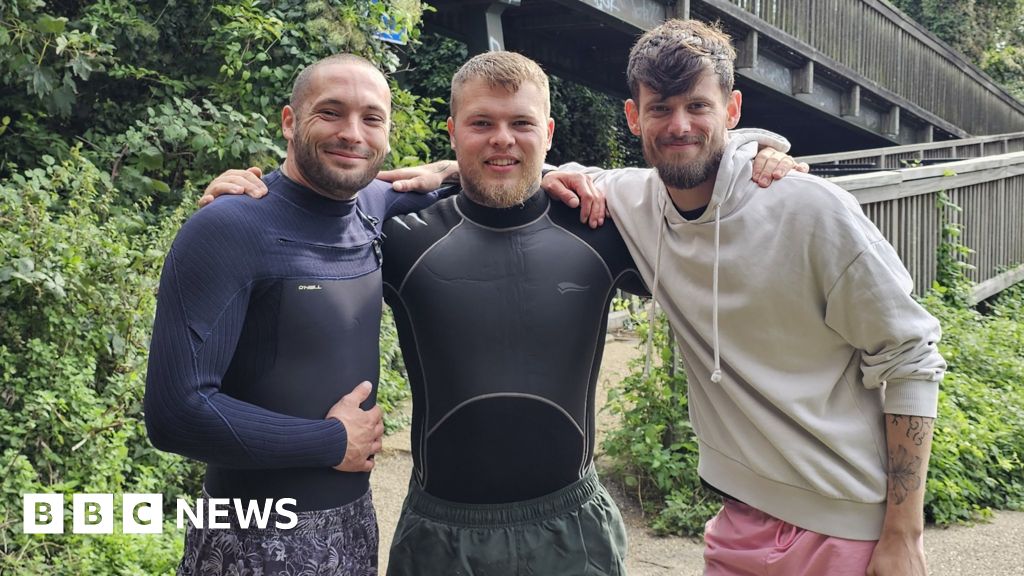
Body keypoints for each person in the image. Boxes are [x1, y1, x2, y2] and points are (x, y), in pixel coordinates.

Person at [201, 54, 801, 575]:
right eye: (481, 123)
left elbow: (706, 210)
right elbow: (309, 215)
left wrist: (758, 154)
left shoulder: (600, 223)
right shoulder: (397, 227)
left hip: (571, 528)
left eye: (520, 124)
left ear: (548, 130)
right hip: (440, 533)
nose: (502, 140)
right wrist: (249, 200)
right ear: (453, 132)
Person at [540, 19, 944, 576]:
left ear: (732, 111)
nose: (679, 124)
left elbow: (911, 356)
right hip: (738, 522)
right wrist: (448, 172)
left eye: (697, 106)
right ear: (634, 117)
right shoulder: (632, 199)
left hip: (847, 526)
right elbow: (530, 170)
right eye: (660, 108)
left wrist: (904, 535)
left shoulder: (809, 209)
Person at [145, 54, 446, 576]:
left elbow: (495, 169)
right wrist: (331, 440)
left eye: (371, 118)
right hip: (247, 542)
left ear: (388, 133)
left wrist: (453, 167)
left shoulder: (374, 204)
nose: (352, 133)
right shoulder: (229, 226)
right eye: (330, 112)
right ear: (289, 121)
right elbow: (175, 414)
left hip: (352, 533)